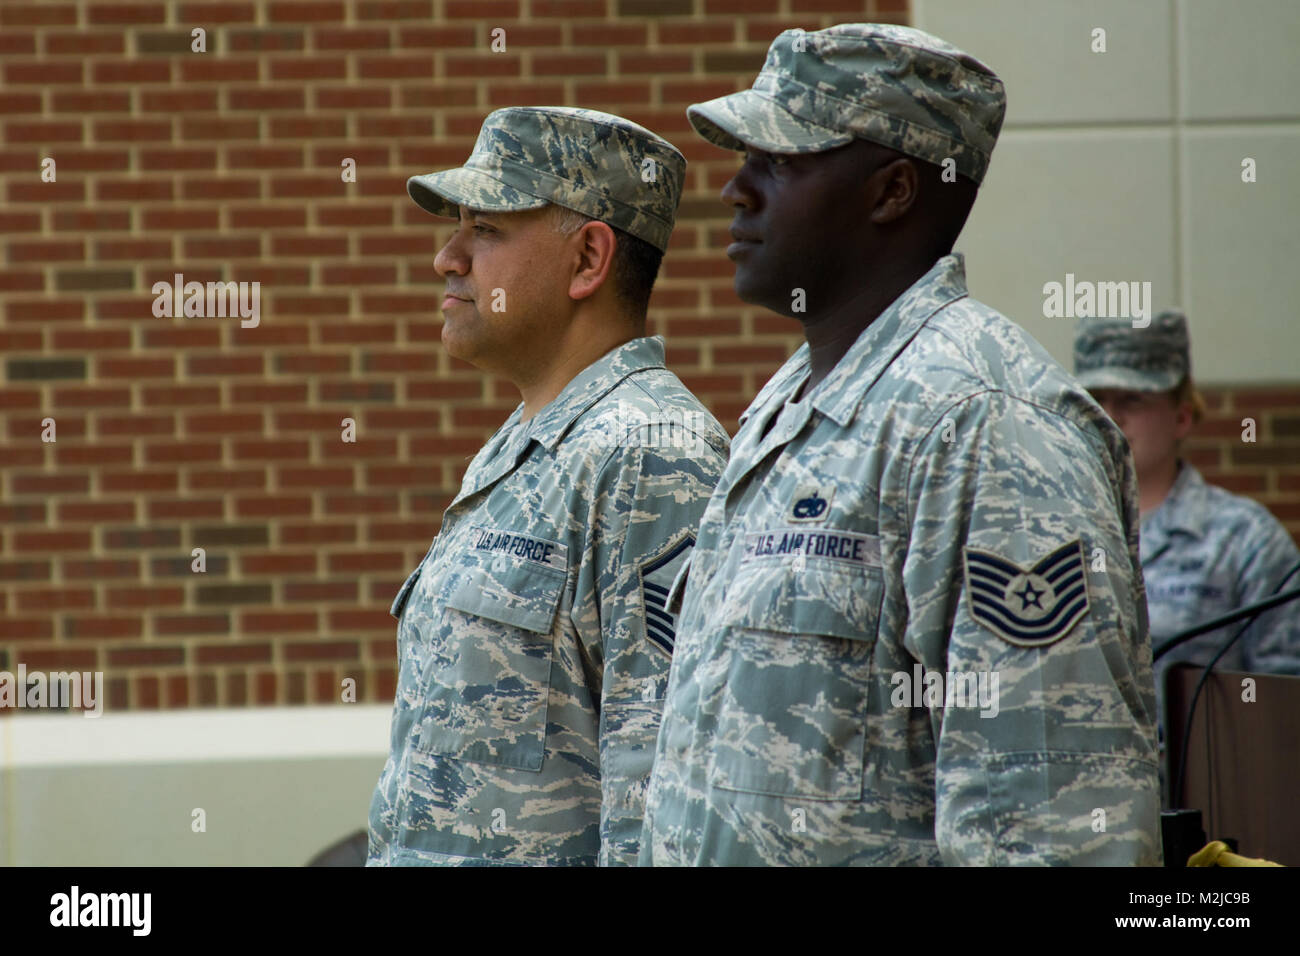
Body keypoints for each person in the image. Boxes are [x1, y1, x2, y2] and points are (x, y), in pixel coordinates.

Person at [639, 23, 1162, 865]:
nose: (735, 190)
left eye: (778, 161)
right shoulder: (789, 402)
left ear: (891, 192)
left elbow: (1050, 825)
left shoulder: (989, 425)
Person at [367, 106, 729, 866]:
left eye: (486, 229)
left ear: (589, 258)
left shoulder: (652, 455)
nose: (447, 258)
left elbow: (661, 804)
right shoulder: (528, 440)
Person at [1073, 312, 1300, 744]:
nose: (1110, 416)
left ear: (1181, 415)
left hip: (1204, 795)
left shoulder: (1244, 540)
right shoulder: (1056, 531)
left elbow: (1285, 702)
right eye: (1095, 398)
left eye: (1132, 399)